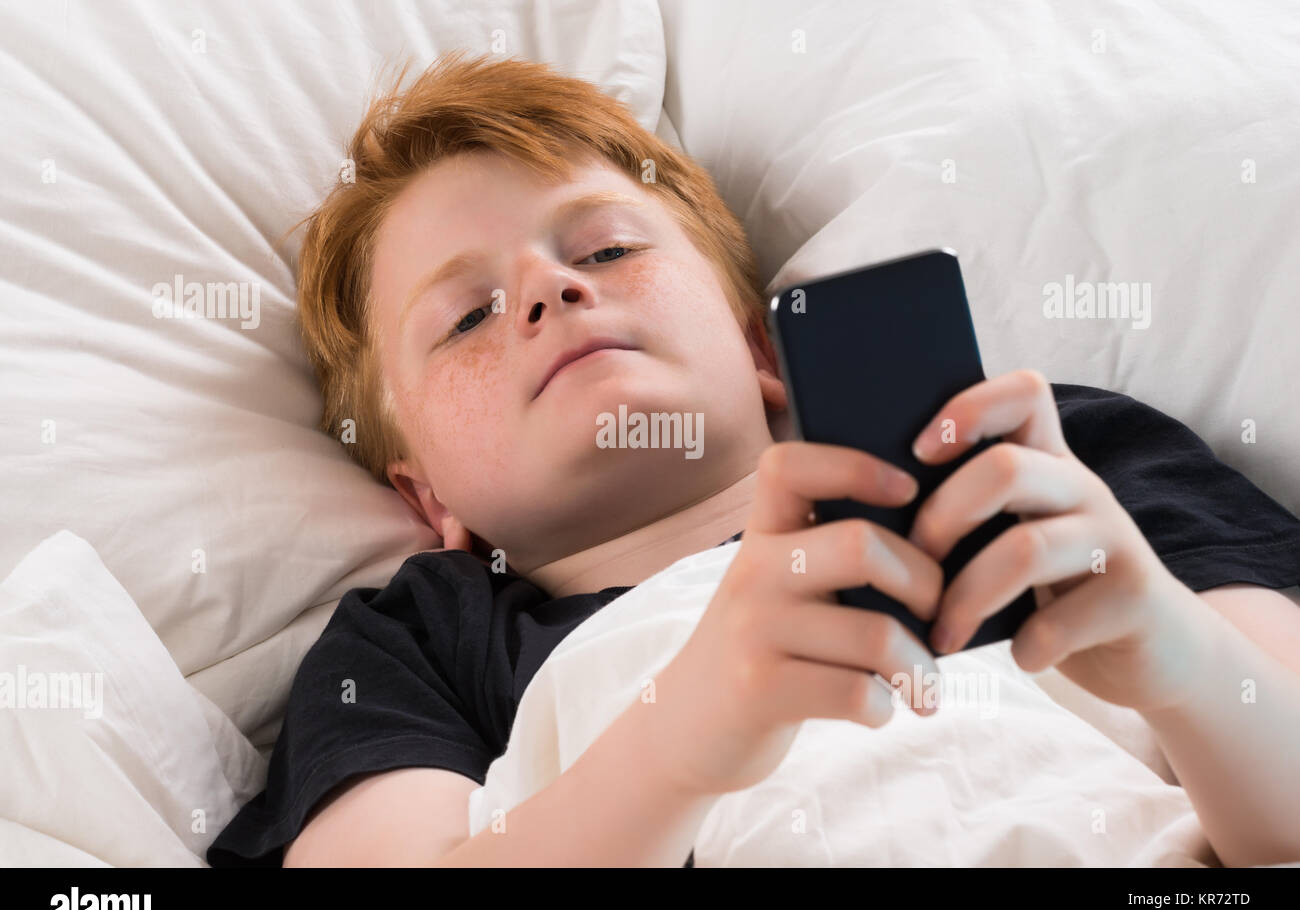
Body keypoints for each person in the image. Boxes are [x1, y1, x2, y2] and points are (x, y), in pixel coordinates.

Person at [206, 51, 1300, 868]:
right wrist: (681, 740)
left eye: (607, 249)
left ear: (757, 345)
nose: (548, 290)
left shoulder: (1037, 455)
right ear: (426, 494)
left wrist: (1181, 659)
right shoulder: (420, 640)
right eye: (468, 316)